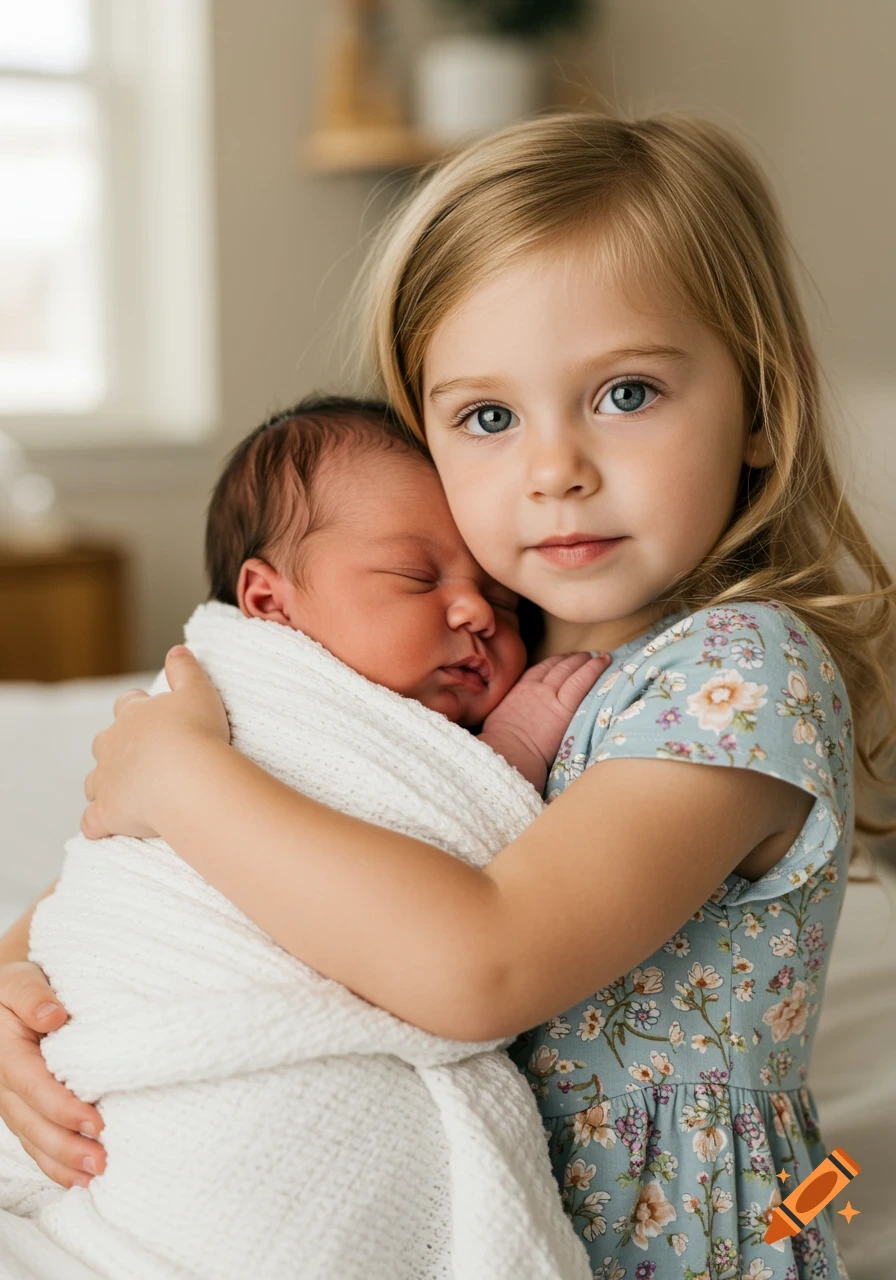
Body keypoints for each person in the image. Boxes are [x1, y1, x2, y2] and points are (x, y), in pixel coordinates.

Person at [2, 112, 894, 1279]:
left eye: (625, 392)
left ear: (761, 410)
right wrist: (22, 981)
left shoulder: (734, 674)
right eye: (486, 416)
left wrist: (181, 773)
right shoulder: (462, 668)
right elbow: (239, 865)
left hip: (674, 1247)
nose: (553, 465)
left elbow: (482, 964)